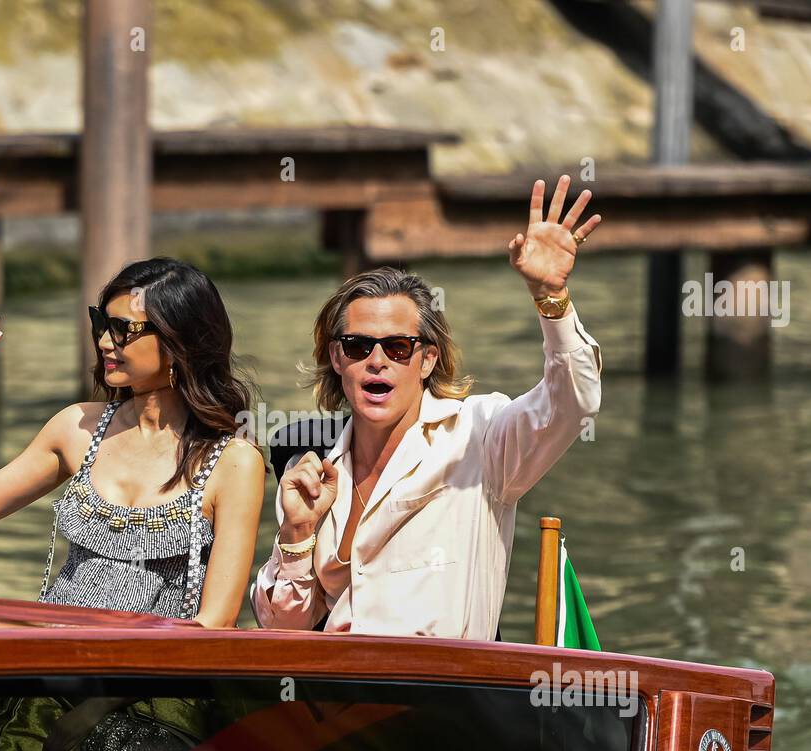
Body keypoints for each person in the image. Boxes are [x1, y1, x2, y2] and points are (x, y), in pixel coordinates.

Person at [0, 256, 265, 751]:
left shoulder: (234, 461)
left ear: (180, 340)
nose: (106, 342)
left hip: (154, 698)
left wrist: (40, 643)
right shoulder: (76, 427)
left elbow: (214, 625)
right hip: (53, 680)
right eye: (100, 324)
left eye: (124, 329)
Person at [252, 176, 602, 640]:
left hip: (443, 680)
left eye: (397, 347)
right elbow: (283, 628)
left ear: (427, 360)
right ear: (337, 358)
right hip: (340, 679)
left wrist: (550, 299)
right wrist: (297, 534)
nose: (377, 360)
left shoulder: (480, 436)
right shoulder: (312, 470)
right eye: (358, 346)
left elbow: (573, 402)